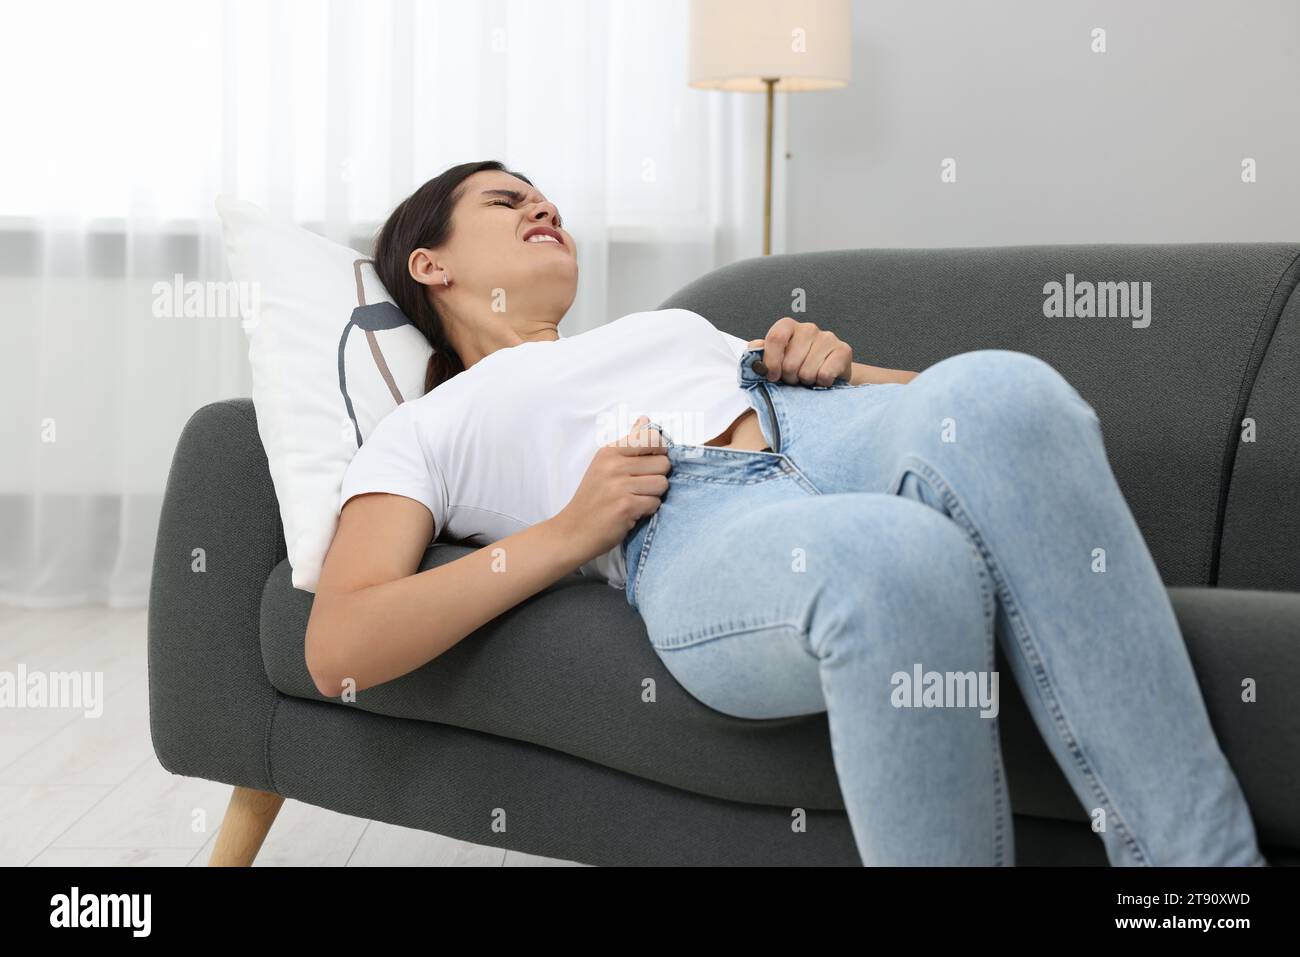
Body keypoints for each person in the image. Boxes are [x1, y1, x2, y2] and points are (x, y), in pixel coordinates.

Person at [306, 160, 1267, 867]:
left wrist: (838, 366)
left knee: (1013, 394)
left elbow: (965, 416)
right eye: (507, 200)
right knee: (891, 560)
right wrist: (564, 534)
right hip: (686, 522)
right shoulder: (424, 427)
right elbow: (340, 640)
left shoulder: (671, 327)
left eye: (544, 193)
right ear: (429, 266)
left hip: (819, 420)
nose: (543, 204)